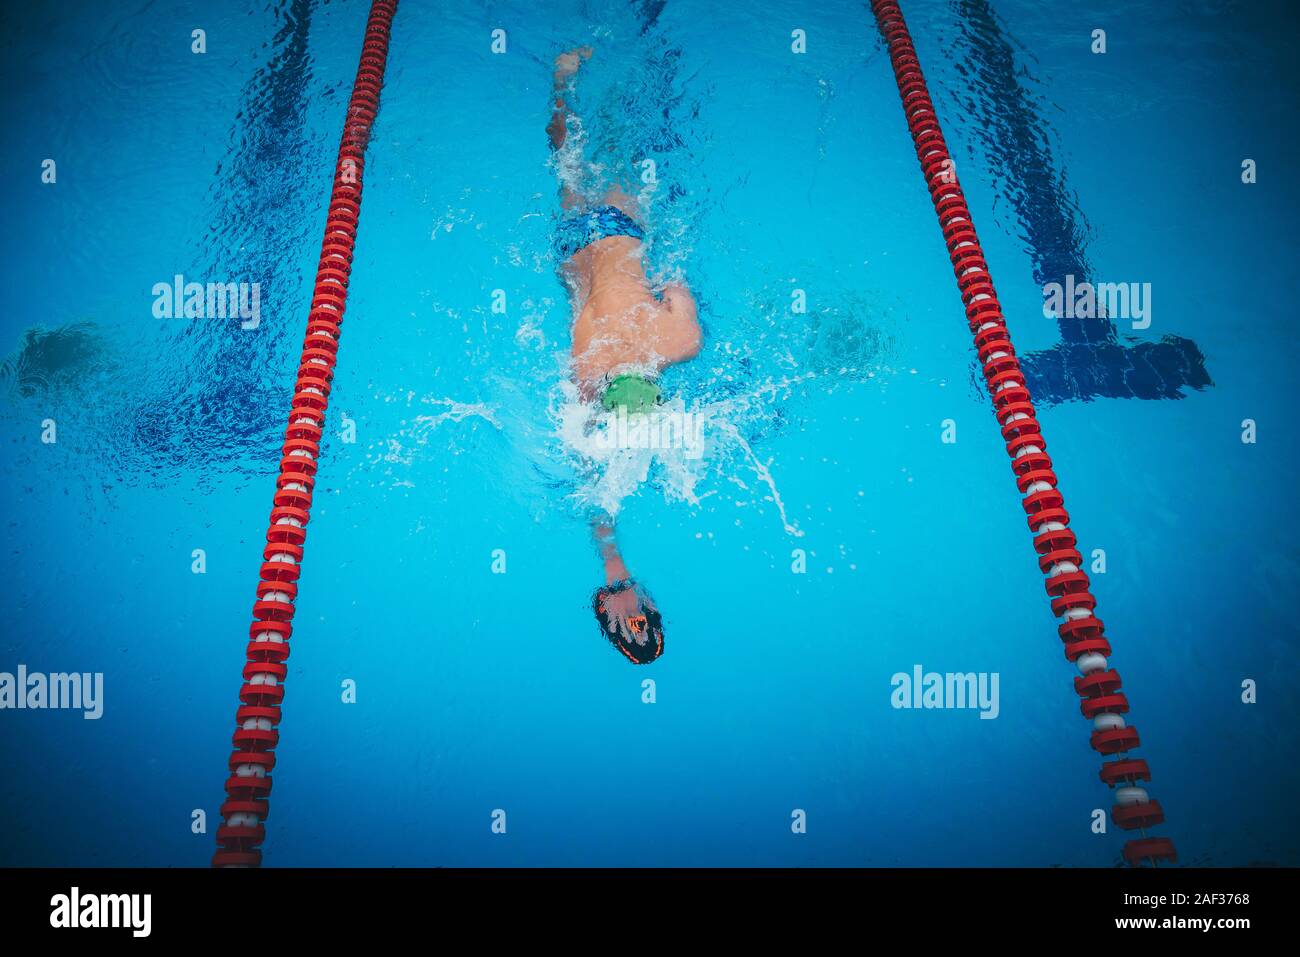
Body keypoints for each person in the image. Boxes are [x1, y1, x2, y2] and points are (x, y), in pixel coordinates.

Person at [548, 47, 702, 664]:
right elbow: (589, 471)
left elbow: (673, 271)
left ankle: (583, 75)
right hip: (568, 248)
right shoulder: (584, 371)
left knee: (620, 137)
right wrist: (615, 573)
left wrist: (622, 578)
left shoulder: (680, 342)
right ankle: (562, 86)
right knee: (568, 158)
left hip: (622, 227)